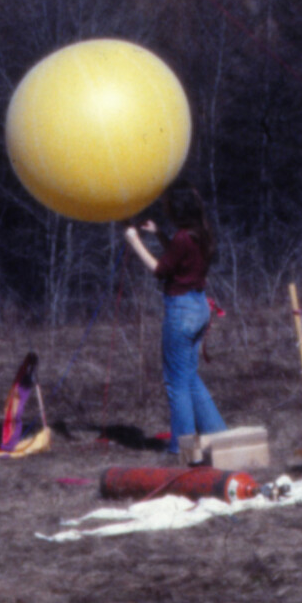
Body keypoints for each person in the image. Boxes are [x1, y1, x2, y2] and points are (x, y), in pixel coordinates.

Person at [122, 187, 227, 454]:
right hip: (199, 307)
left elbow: (160, 270)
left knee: (176, 383)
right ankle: (219, 437)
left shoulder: (182, 238)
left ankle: (182, 450)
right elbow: (180, 259)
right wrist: (158, 234)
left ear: (177, 211)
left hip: (181, 311)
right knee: (189, 377)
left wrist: (134, 241)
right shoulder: (200, 232)